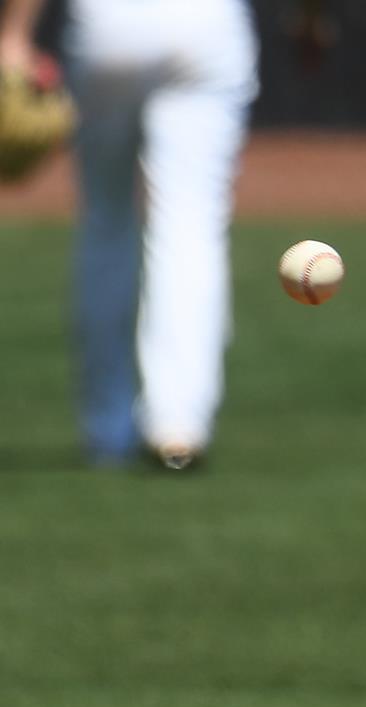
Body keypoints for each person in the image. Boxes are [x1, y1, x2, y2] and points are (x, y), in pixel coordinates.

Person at [0, 0, 258, 471]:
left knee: (106, 221)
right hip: (205, 25)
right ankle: (178, 426)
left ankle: (107, 431)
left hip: (107, 27)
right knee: (191, 218)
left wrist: (14, 34)